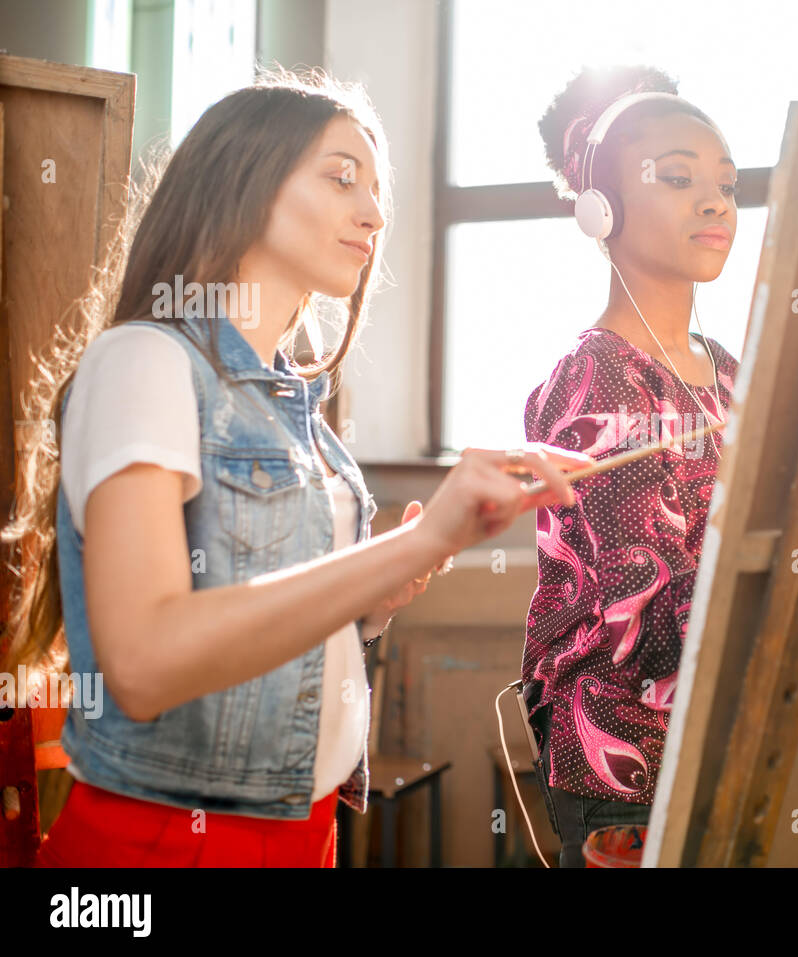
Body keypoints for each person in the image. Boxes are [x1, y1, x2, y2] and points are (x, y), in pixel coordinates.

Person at [0, 67, 589, 867]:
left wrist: (376, 594)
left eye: (378, 190)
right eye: (342, 177)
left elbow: (266, 611)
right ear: (239, 181)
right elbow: (140, 662)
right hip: (168, 845)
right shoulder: (143, 361)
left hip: (306, 832)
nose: (375, 214)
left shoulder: (296, 403)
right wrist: (409, 546)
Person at [521, 65, 742, 866]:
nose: (716, 201)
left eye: (726, 182)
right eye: (679, 179)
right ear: (600, 210)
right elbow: (644, 617)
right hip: (626, 761)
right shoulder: (597, 380)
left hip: (721, 741)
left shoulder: (729, 374)